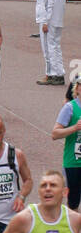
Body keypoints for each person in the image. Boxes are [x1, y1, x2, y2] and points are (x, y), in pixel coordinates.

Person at [52, 74, 81, 211]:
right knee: (73, 205)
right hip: (73, 162)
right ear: (78, 88)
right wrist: (75, 128)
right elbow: (55, 134)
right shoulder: (70, 108)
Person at [35, 0, 66, 85]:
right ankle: (59, 73)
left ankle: (51, 74)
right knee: (56, 46)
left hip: (49, 19)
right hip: (58, 19)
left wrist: (46, 21)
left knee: (48, 47)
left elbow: (49, 1)